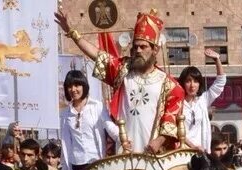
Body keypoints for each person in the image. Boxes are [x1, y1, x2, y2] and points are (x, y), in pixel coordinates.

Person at [55, 9, 184, 153]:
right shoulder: (123, 70)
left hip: (154, 154)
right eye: (135, 47)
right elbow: (97, 55)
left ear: (155, 50)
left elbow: (170, 122)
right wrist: (73, 33)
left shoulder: (171, 86)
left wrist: (159, 141)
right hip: (123, 152)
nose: (138, 50)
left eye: (143, 46)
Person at [59, 70, 117, 170]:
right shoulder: (66, 113)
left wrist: (123, 138)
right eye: (70, 86)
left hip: (95, 162)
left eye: (77, 85)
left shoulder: (97, 106)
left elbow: (110, 127)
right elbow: (65, 143)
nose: (73, 90)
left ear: (84, 86)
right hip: (76, 164)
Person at [179, 49, 226, 152]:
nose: (192, 85)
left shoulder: (203, 100)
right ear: (182, 83)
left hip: (202, 152)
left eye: (195, 81)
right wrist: (193, 147)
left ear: (199, 83)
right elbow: (175, 131)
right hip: (183, 152)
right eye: (188, 81)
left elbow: (220, 82)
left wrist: (217, 59)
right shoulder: (178, 103)